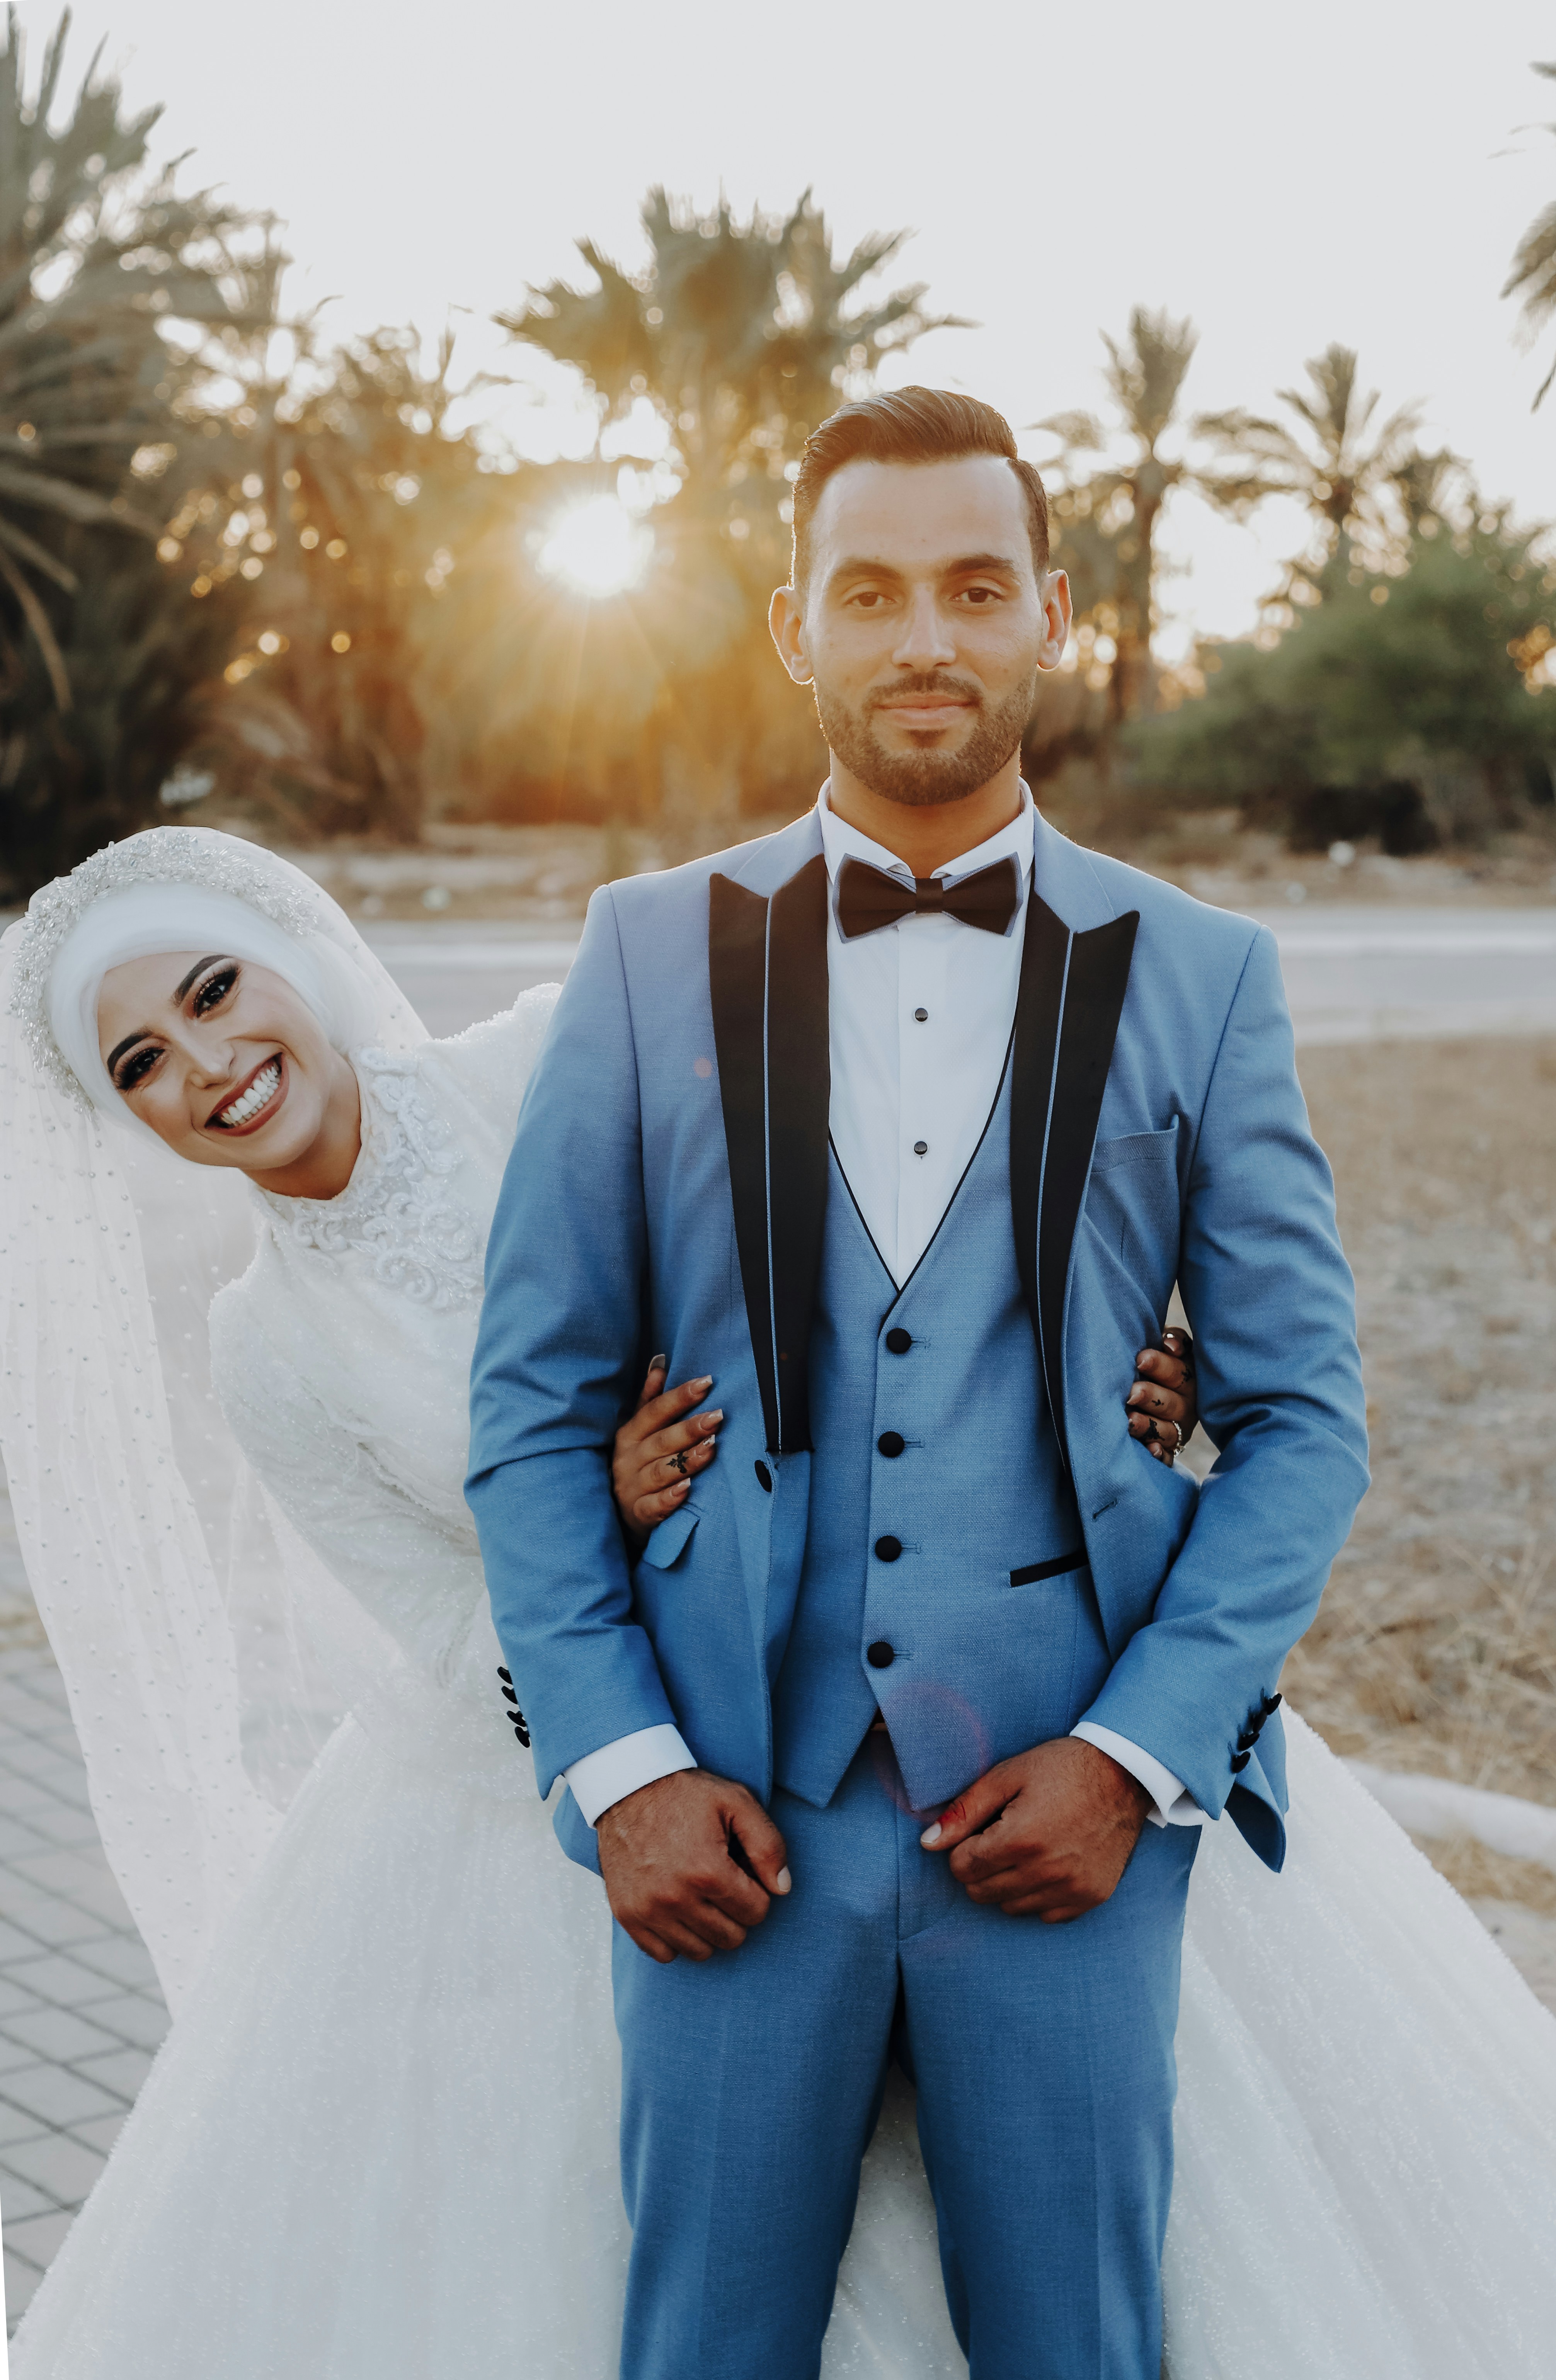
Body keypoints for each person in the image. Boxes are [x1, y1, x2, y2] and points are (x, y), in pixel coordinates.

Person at [468, 387, 1556, 2380]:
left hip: (1064, 1808)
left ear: (1052, 611)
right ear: (792, 625)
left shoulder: (1201, 971)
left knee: (1078, 2347)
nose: (923, 640)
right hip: (729, 1815)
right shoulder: (642, 953)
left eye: (975, 587)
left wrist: (1140, 1758)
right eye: (868, 591)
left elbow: (1302, 1420)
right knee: (697, 2346)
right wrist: (618, 1768)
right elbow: (530, 1405)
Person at [0, 823, 1192, 2377]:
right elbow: (436, 1629)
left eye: (219, 991)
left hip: (918, 1676)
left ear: (291, 957)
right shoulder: (267, 1346)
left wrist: (1097, 1364)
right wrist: (599, 1528)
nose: (210, 1063)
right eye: (145, 1062)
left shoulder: (563, 1046)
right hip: (628, 1776)